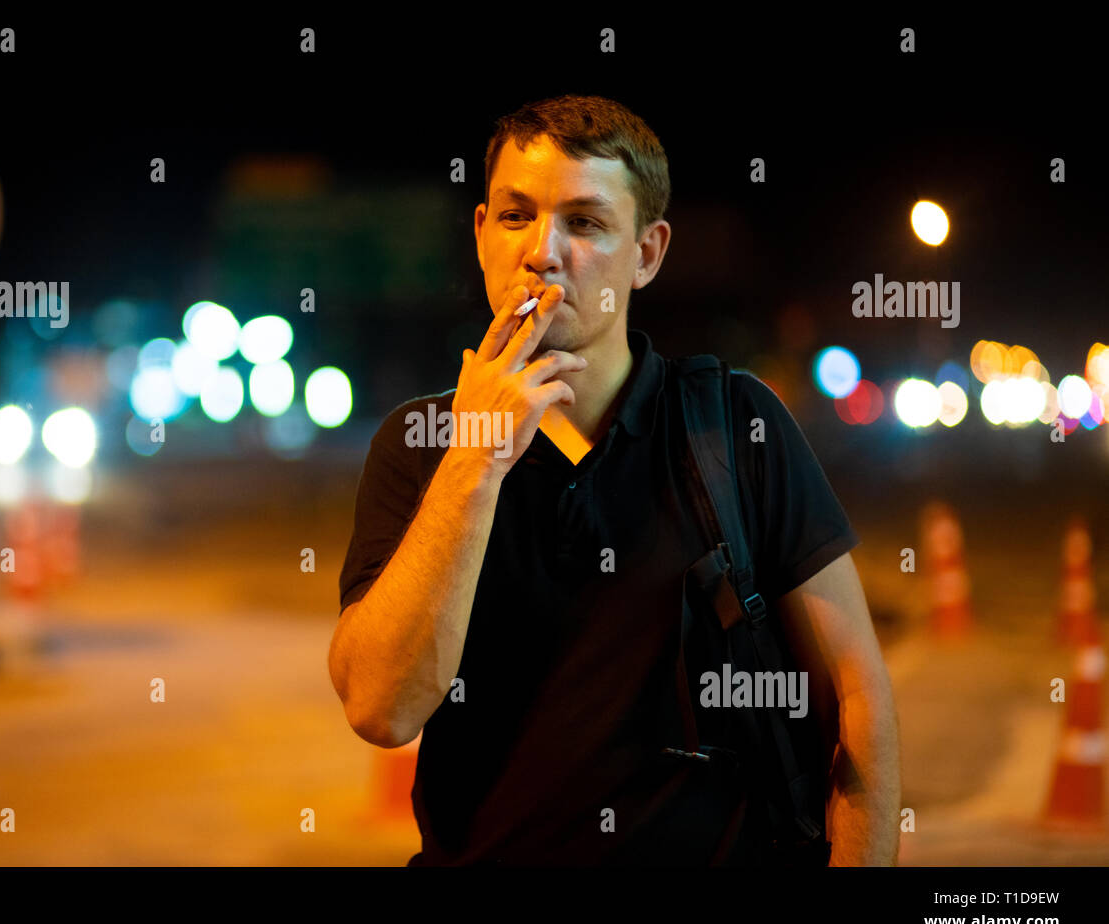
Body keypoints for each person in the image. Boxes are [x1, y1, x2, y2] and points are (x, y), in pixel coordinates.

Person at [329, 93, 900, 865]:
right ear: (480, 234)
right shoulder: (417, 445)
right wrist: (476, 458)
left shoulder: (734, 423)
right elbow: (382, 710)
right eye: (515, 215)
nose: (543, 251)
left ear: (648, 253)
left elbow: (857, 694)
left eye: (585, 222)